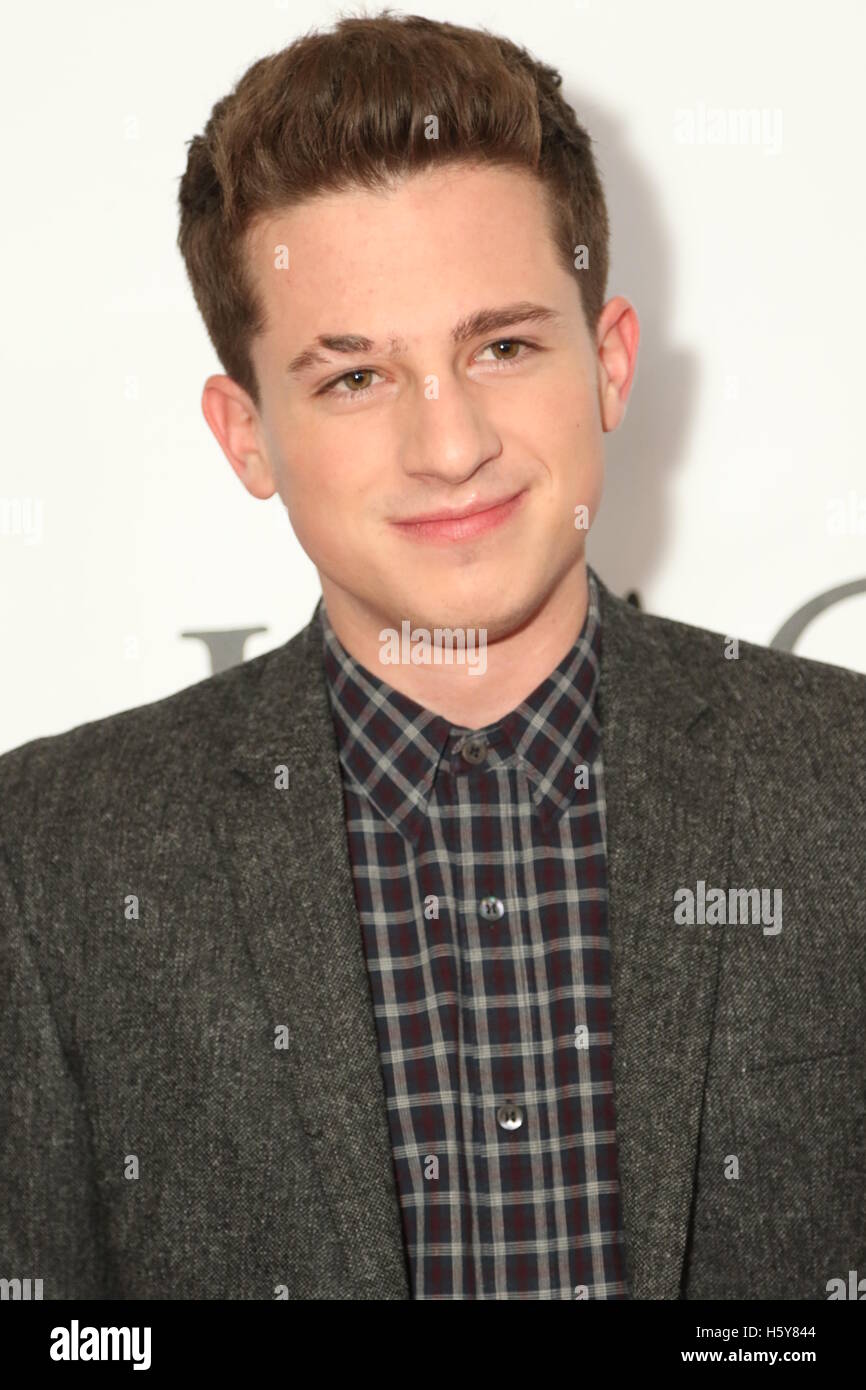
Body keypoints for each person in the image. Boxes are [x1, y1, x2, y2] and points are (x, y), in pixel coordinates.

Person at [1, 11, 862, 1301]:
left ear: (608, 364)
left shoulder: (845, 784)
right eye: (353, 377)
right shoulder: (49, 860)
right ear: (245, 435)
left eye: (502, 346)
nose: (449, 444)